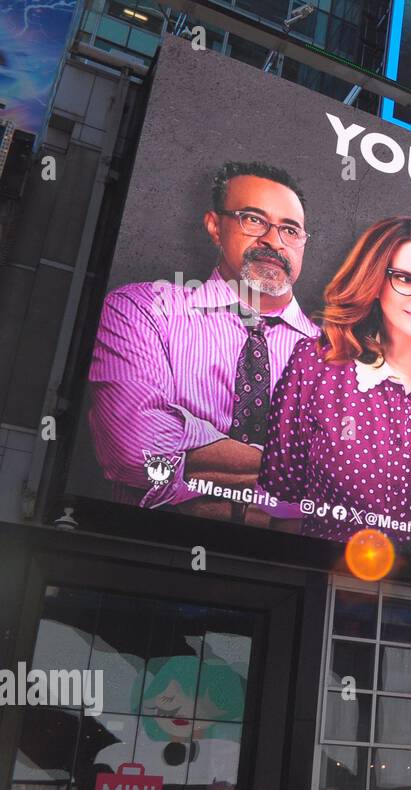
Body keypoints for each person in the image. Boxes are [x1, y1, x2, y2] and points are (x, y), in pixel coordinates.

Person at [88, 161, 317, 521]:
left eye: (290, 230)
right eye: (254, 220)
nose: (273, 241)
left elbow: (358, 484)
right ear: (215, 226)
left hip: (297, 567)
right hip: (142, 554)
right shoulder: (144, 309)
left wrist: (190, 459)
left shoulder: (340, 359)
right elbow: (135, 449)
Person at [258, 217, 411, 547]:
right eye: (405, 280)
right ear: (375, 282)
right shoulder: (316, 364)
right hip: (320, 581)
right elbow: (283, 504)